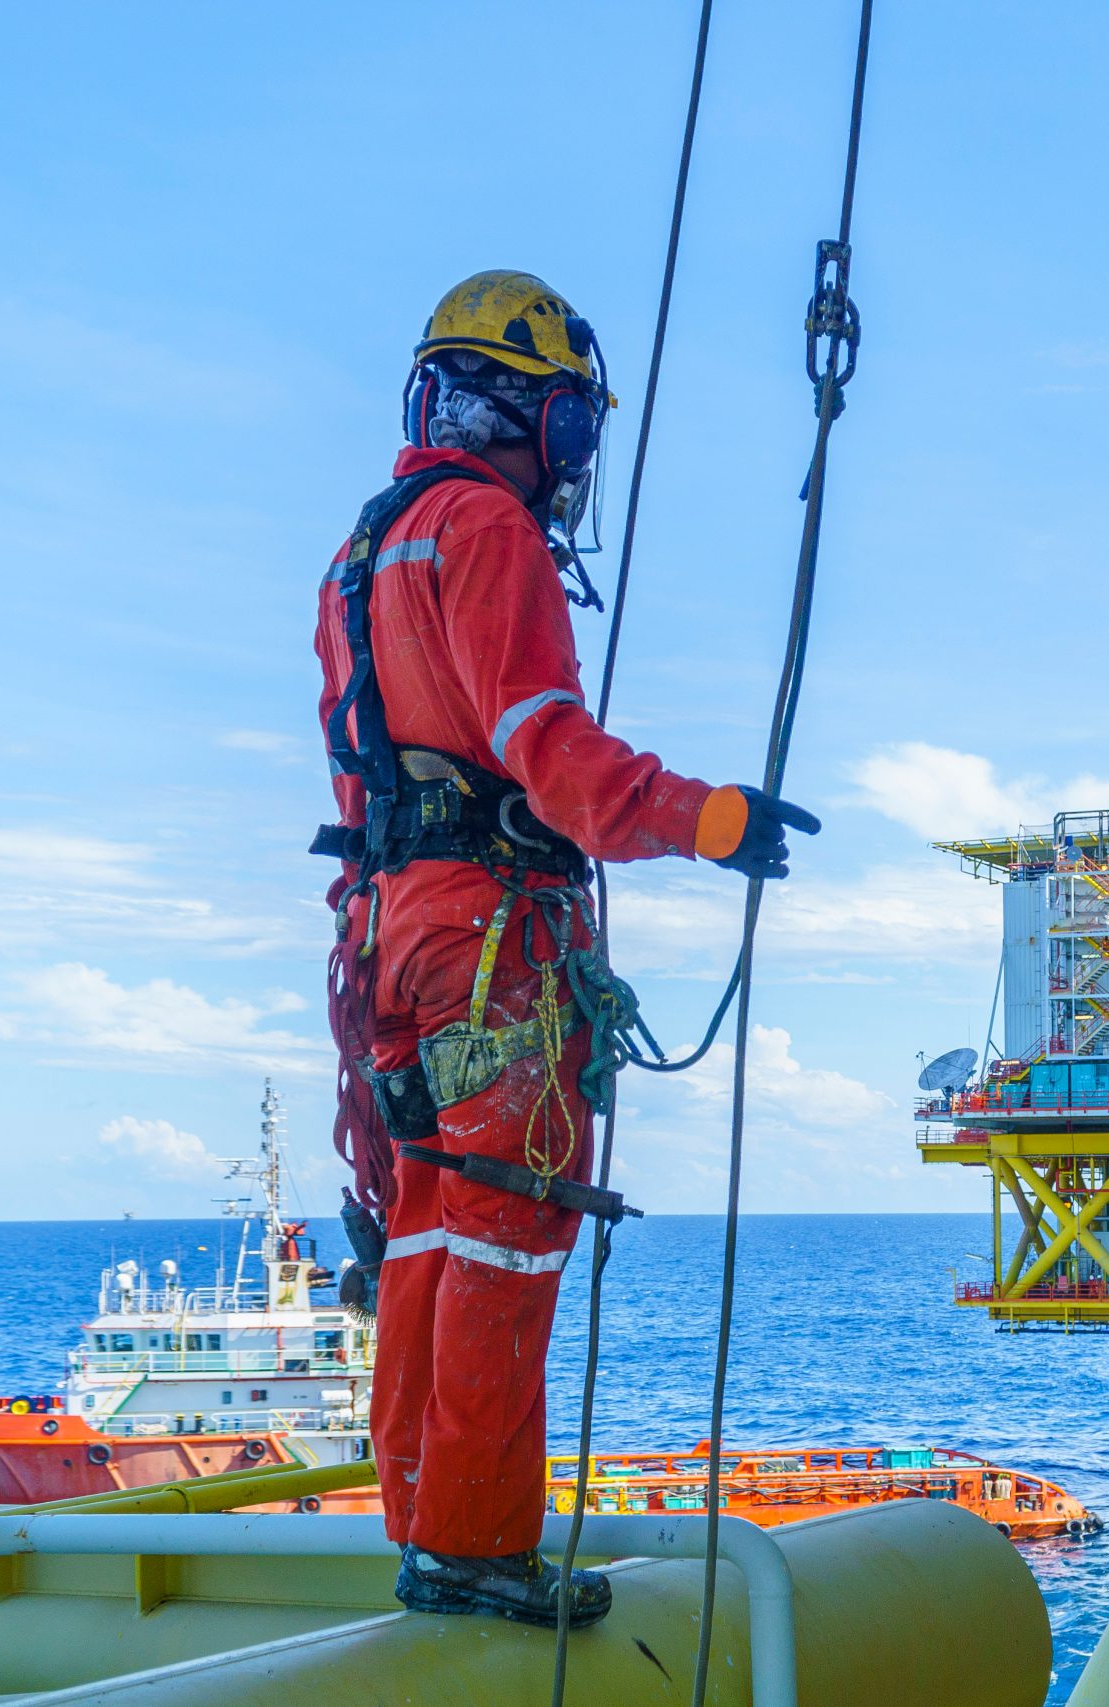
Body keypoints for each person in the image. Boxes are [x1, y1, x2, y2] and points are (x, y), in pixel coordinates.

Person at [314, 270, 817, 1626]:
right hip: (486, 931)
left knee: (421, 1218)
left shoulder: (365, 554)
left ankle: (425, 1530)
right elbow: (554, 762)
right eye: (572, 429)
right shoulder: (488, 535)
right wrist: (711, 821)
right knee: (506, 1218)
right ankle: (477, 1549)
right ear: (543, 421)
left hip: (382, 938)